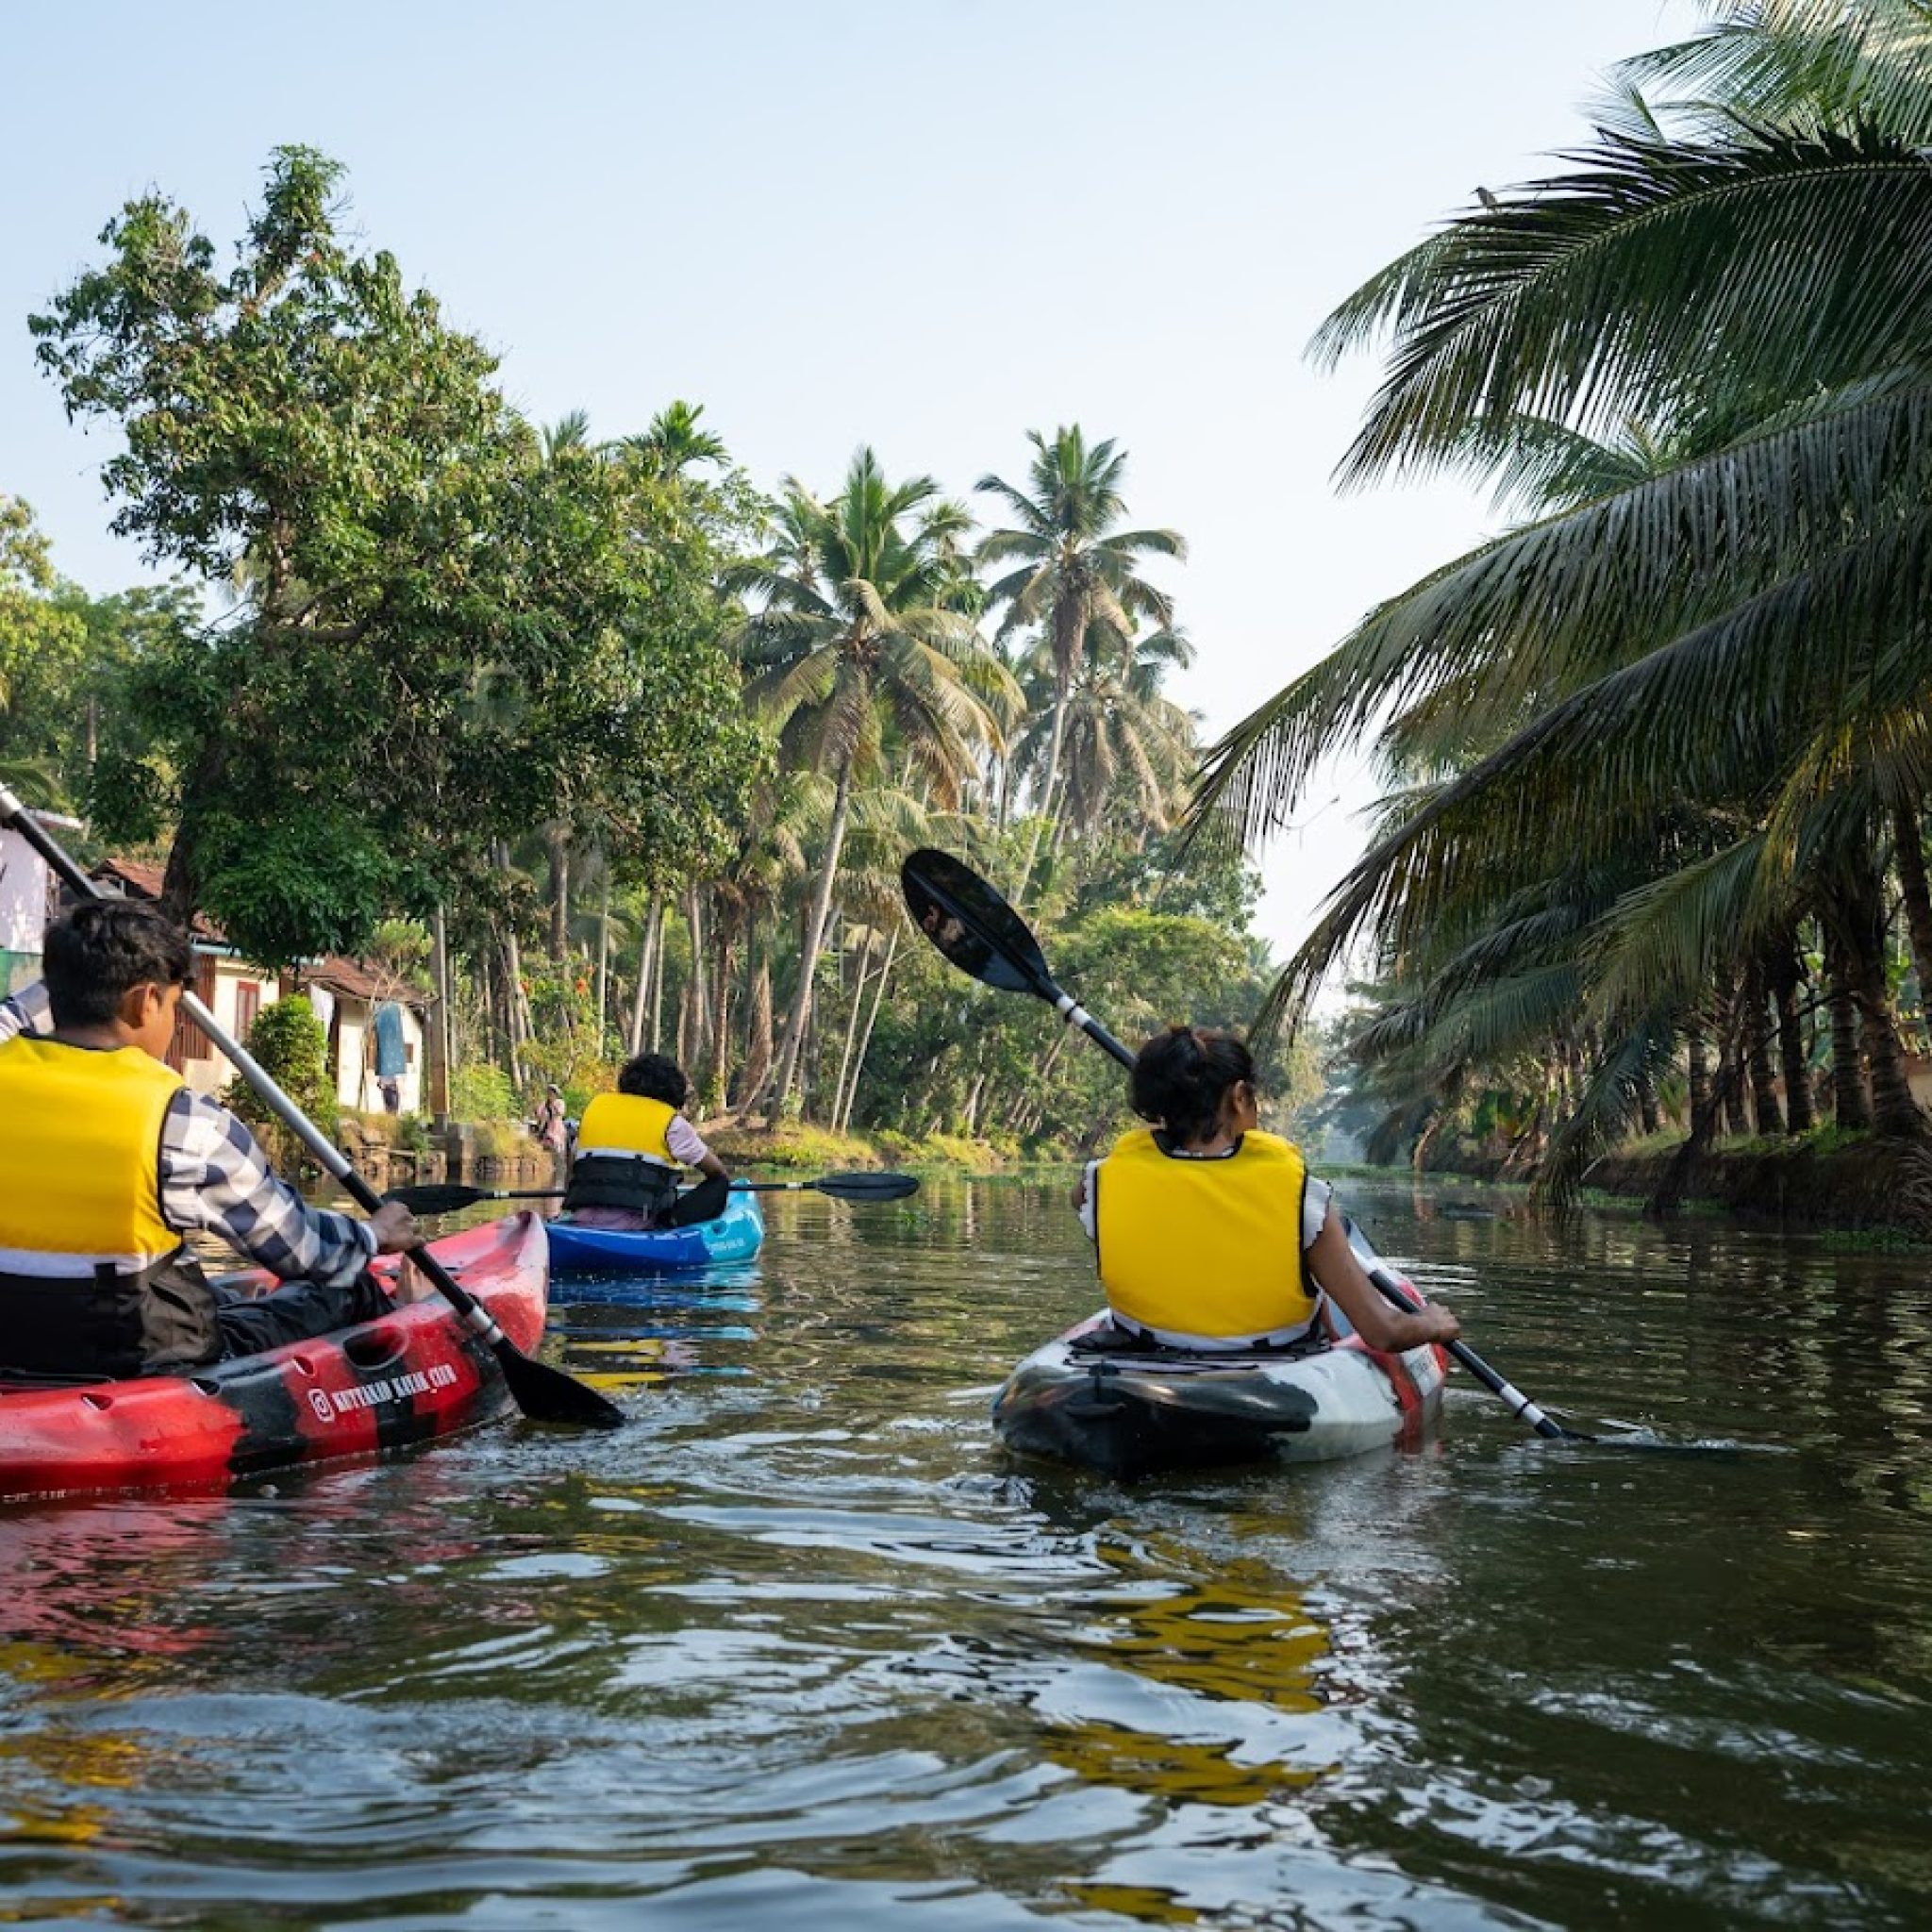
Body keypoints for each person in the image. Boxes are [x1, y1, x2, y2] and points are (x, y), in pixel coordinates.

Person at [0, 899, 421, 1381]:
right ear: (145, 1002)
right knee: (343, 1288)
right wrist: (373, 1235)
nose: (175, 1025)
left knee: (210, 1293)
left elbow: (12, 1015)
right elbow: (301, 1250)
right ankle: (403, 1315)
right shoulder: (184, 1122)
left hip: (13, 1344)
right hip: (135, 1363)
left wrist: (78, 970)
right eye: (176, 1007)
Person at [1073, 1024, 1460, 1356]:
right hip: (1273, 1369)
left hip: (1144, 1355)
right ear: (1239, 1097)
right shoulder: (1301, 1198)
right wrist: (1430, 1323)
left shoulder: (1097, 1183)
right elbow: (1385, 1332)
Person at [560, 1053, 732, 1230]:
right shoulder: (671, 1122)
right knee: (720, 1182)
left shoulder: (595, 1110)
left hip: (581, 1221)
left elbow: (573, 1170)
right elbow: (717, 1170)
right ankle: (672, 1227)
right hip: (640, 1224)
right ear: (673, 1091)